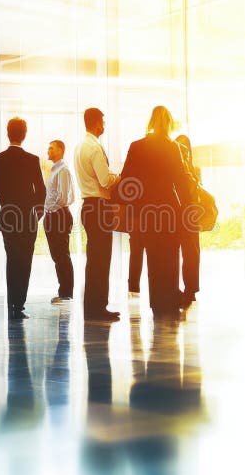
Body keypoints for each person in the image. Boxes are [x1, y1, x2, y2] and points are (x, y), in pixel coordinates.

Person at [120, 106, 190, 319]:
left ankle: (157, 305)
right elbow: (181, 183)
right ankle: (169, 301)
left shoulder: (137, 146)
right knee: (169, 257)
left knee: (152, 258)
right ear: (168, 123)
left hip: (145, 211)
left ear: (151, 122)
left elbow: (126, 180)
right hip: (170, 210)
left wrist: (131, 209)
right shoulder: (174, 147)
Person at [0, 117, 46, 320]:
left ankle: (12, 303)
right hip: (27, 217)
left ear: (7, 133)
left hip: (8, 216)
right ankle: (19, 305)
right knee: (25, 261)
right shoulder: (32, 159)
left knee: (12, 260)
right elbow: (41, 190)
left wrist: (7, 203)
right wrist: (35, 212)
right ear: (24, 134)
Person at [74, 108, 120, 322]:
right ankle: (98, 308)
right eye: (102, 121)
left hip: (88, 207)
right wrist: (119, 177)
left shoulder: (79, 147)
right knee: (101, 260)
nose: (104, 125)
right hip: (100, 207)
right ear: (94, 123)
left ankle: (91, 307)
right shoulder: (94, 148)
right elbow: (105, 180)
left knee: (93, 260)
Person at [44, 140, 75, 304]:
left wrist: (51, 210)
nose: (48, 150)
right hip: (52, 216)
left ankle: (66, 293)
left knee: (62, 255)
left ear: (61, 150)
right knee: (57, 256)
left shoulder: (63, 170)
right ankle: (63, 291)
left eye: (51, 148)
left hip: (59, 216)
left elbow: (63, 198)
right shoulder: (54, 169)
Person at [176, 134, 201, 307]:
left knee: (191, 253)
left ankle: (190, 289)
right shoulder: (179, 168)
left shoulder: (193, 170)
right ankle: (186, 289)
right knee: (186, 253)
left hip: (190, 213)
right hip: (179, 213)